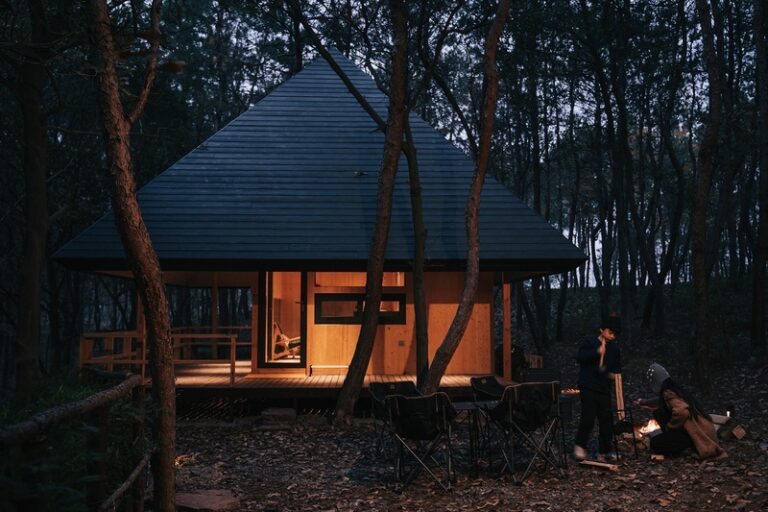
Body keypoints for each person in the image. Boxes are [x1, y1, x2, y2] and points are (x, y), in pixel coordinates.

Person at [635, 363, 726, 459]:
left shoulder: (668, 393)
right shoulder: (674, 390)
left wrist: (671, 426)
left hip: (694, 434)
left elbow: (682, 411)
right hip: (699, 432)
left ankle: (688, 448)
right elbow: (659, 400)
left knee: (656, 443)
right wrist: (643, 402)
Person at [573, 314, 622, 462]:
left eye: (614, 334)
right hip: (588, 385)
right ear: (602, 329)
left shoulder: (614, 348)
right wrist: (596, 353)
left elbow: (616, 366)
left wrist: (613, 374)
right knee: (588, 416)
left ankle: (605, 450)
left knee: (606, 419)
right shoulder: (589, 341)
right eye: (610, 332)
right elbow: (580, 357)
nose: (612, 336)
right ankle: (580, 446)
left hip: (603, 388)